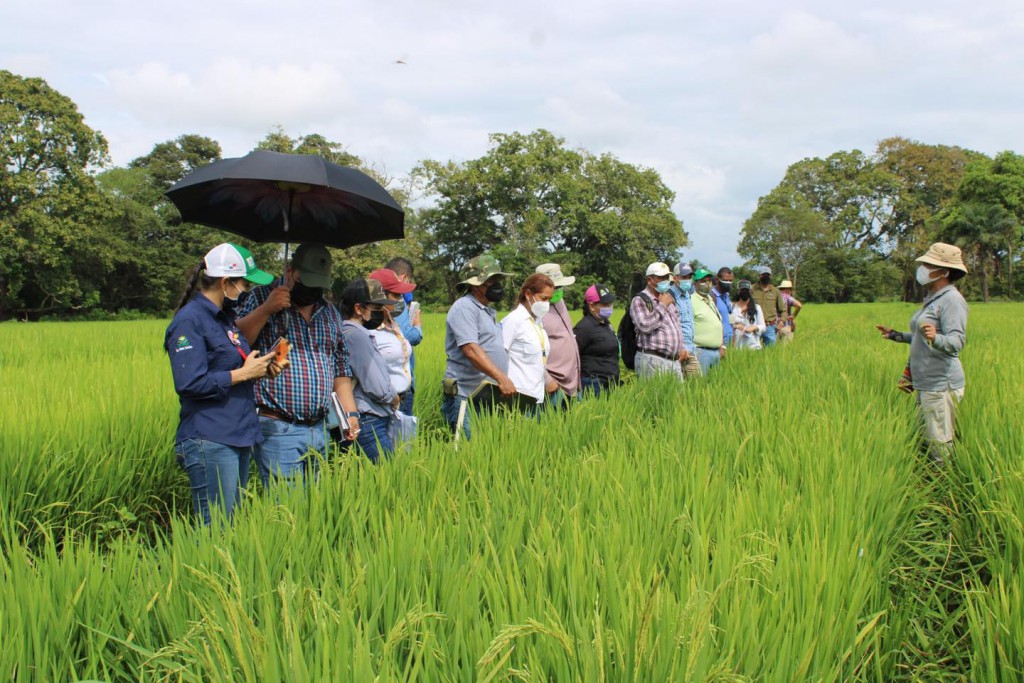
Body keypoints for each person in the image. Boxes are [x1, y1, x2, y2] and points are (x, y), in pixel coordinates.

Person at [165, 243, 276, 526]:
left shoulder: (226, 320)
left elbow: (233, 366)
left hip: (237, 432)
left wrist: (261, 368)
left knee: (232, 523)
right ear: (226, 282)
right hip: (211, 436)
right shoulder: (189, 321)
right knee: (216, 528)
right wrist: (243, 374)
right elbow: (189, 382)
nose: (247, 291)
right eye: (245, 285)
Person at [236, 243, 358, 489]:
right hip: (279, 426)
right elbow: (237, 343)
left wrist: (351, 413)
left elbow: (340, 368)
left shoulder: (330, 312)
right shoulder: (262, 297)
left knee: (314, 505)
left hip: (320, 428)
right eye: (308, 282)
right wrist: (268, 309)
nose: (313, 290)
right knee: (288, 508)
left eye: (318, 285)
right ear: (291, 271)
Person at [875, 243, 969, 465]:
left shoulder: (952, 300)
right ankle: (931, 473)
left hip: (940, 382)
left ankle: (944, 485)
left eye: (928, 264)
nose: (923, 268)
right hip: (925, 380)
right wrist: (896, 335)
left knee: (939, 440)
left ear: (943, 271)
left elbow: (957, 341)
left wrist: (936, 337)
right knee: (929, 434)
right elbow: (921, 336)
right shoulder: (934, 297)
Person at [442, 254, 515, 440]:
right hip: (466, 395)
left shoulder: (486, 310)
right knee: (467, 450)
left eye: (498, 279)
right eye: (491, 281)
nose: (497, 284)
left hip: (485, 394)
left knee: (484, 446)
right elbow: (471, 349)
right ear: (475, 284)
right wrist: (501, 378)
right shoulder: (464, 307)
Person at [339, 278, 401, 463]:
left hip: (368, 417)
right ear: (358, 309)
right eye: (376, 308)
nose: (381, 312)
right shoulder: (357, 336)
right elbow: (375, 385)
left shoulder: (351, 332)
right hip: (368, 418)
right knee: (389, 475)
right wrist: (393, 396)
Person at [501, 273, 556, 407]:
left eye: (549, 299)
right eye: (543, 298)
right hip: (518, 397)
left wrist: (547, 380)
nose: (546, 304)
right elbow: (499, 356)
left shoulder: (538, 322)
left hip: (538, 396)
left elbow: (537, 359)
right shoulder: (513, 321)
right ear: (528, 294)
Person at [368, 268, 417, 416]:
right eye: (396, 295)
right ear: (380, 296)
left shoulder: (393, 323)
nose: (400, 299)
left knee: (406, 440)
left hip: (405, 398)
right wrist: (392, 397)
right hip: (383, 404)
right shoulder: (368, 329)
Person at [535, 263, 581, 406]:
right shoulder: (535, 310)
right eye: (555, 287)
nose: (558, 290)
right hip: (553, 383)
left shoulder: (559, 301)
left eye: (560, 287)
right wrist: (547, 380)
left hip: (571, 380)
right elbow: (530, 352)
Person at [630, 262, 685, 380]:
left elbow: (676, 325)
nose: (665, 281)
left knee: (678, 398)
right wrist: (662, 305)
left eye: (666, 277)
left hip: (673, 361)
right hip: (652, 359)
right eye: (661, 278)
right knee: (655, 397)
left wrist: (681, 346)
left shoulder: (667, 298)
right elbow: (645, 325)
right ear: (649, 280)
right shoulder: (640, 300)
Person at [384, 257, 422, 415]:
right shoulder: (395, 301)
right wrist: (418, 324)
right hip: (398, 388)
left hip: (383, 386)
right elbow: (410, 337)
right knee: (401, 438)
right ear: (404, 277)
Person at [574, 284, 620, 397]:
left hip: (610, 381)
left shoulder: (605, 323)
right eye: (605, 304)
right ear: (592, 306)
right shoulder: (584, 327)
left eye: (610, 303)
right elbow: (572, 355)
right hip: (593, 384)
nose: (609, 307)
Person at [669, 263, 702, 379]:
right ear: (675, 278)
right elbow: (672, 325)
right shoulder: (670, 296)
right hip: (680, 350)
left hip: (690, 349)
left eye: (689, 277)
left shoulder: (687, 295)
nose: (687, 280)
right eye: (684, 277)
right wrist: (681, 347)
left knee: (695, 385)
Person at [691, 269, 726, 373]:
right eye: (702, 281)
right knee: (700, 385)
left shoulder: (710, 300)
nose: (707, 283)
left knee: (713, 385)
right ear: (695, 284)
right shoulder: (691, 300)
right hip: (701, 351)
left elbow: (718, 323)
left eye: (709, 280)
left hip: (716, 351)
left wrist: (722, 346)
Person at [750, 266, 786, 347]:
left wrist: (782, 321)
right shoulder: (752, 289)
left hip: (770, 326)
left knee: (770, 353)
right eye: (763, 275)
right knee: (753, 352)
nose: (766, 277)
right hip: (754, 326)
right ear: (759, 276)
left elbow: (783, 309)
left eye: (768, 275)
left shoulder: (775, 291)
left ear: (770, 276)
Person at [730, 280, 766, 350]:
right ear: (738, 291)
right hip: (737, 347)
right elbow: (729, 324)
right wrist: (736, 326)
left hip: (753, 346)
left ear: (750, 292)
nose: (744, 292)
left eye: (746, 290)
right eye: (742, 290)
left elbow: (763, 327)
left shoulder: (757, 308)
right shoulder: (732, 307)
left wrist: (755, 327)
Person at [711, 267, 734, 348]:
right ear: (717, 280)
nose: (728, 283)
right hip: (719, 343)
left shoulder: (726, 295)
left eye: (731, 281)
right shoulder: (712, 297)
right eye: (726, 280)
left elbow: (730, 318)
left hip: (729, 340)